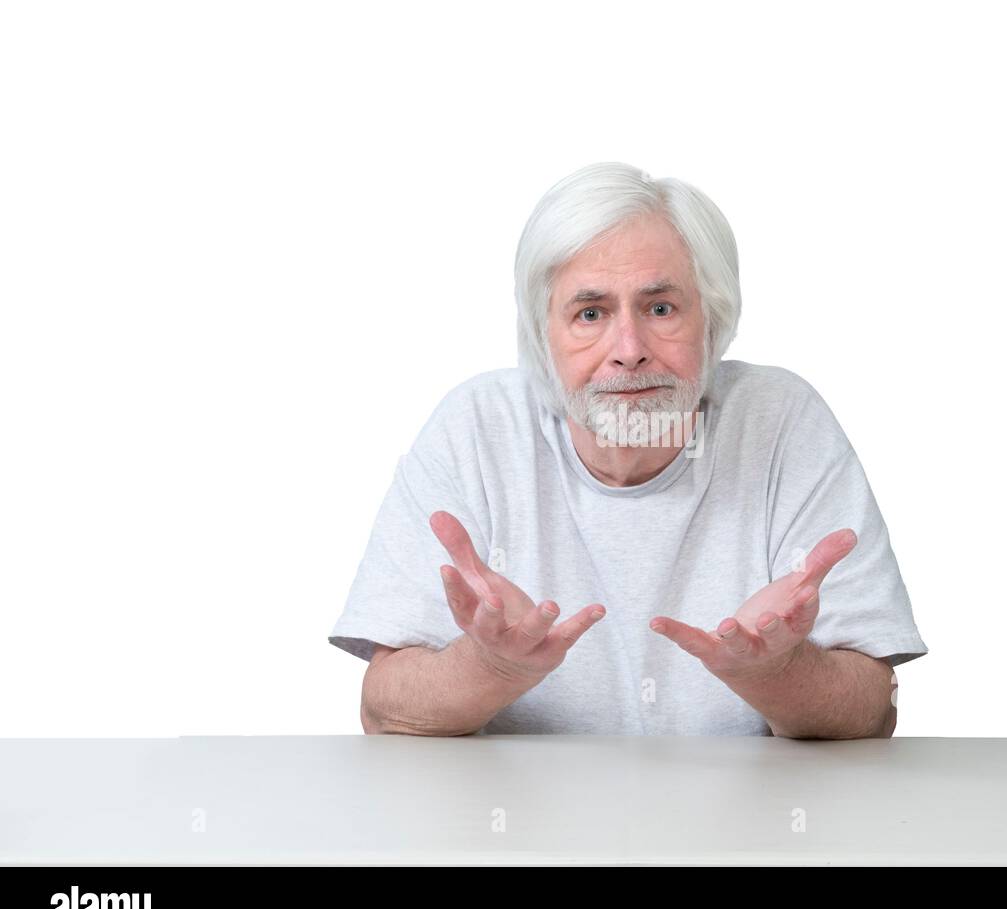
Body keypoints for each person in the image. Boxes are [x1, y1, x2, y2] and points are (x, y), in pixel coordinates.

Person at [328, 161, 928, 737]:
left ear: (713, 321)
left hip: (744, 833)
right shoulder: (476, 425)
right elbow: (385, 711)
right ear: (543, 336)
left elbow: (874, 713)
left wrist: (776, 673)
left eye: (660, 308)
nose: (629, 348)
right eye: (590, 313)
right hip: (522, 833)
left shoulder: (782, 419)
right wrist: (494, 667)